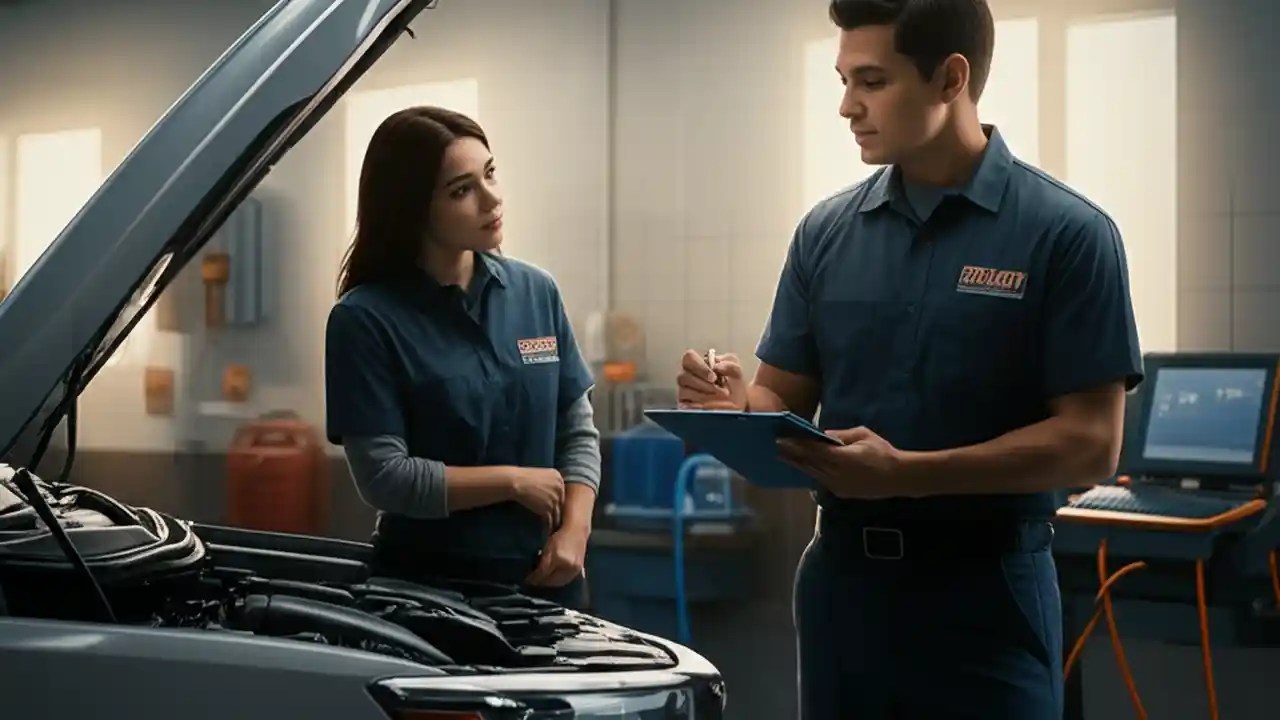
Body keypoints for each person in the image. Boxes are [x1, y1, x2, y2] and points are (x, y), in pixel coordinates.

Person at [676, 0, 1142, 717]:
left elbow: (1090, 445)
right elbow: (780, 404)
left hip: (988, 592)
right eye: (843, 79)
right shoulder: (825, 233)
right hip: (843, 588)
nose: (846, 106)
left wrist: (910, 475)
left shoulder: (1067, 234)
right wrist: (736, 404)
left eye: (872, 81)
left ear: (951, 78)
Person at [324, 106, 600, 609]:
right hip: (429, 593)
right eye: (461, 190)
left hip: (549, 581)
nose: (492, 199)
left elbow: (576, 427)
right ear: (413, 208)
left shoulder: (536, 292)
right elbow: (386, 477)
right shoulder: (364, 320)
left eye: (490, 173)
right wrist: (512, 482)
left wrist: (575, 532)